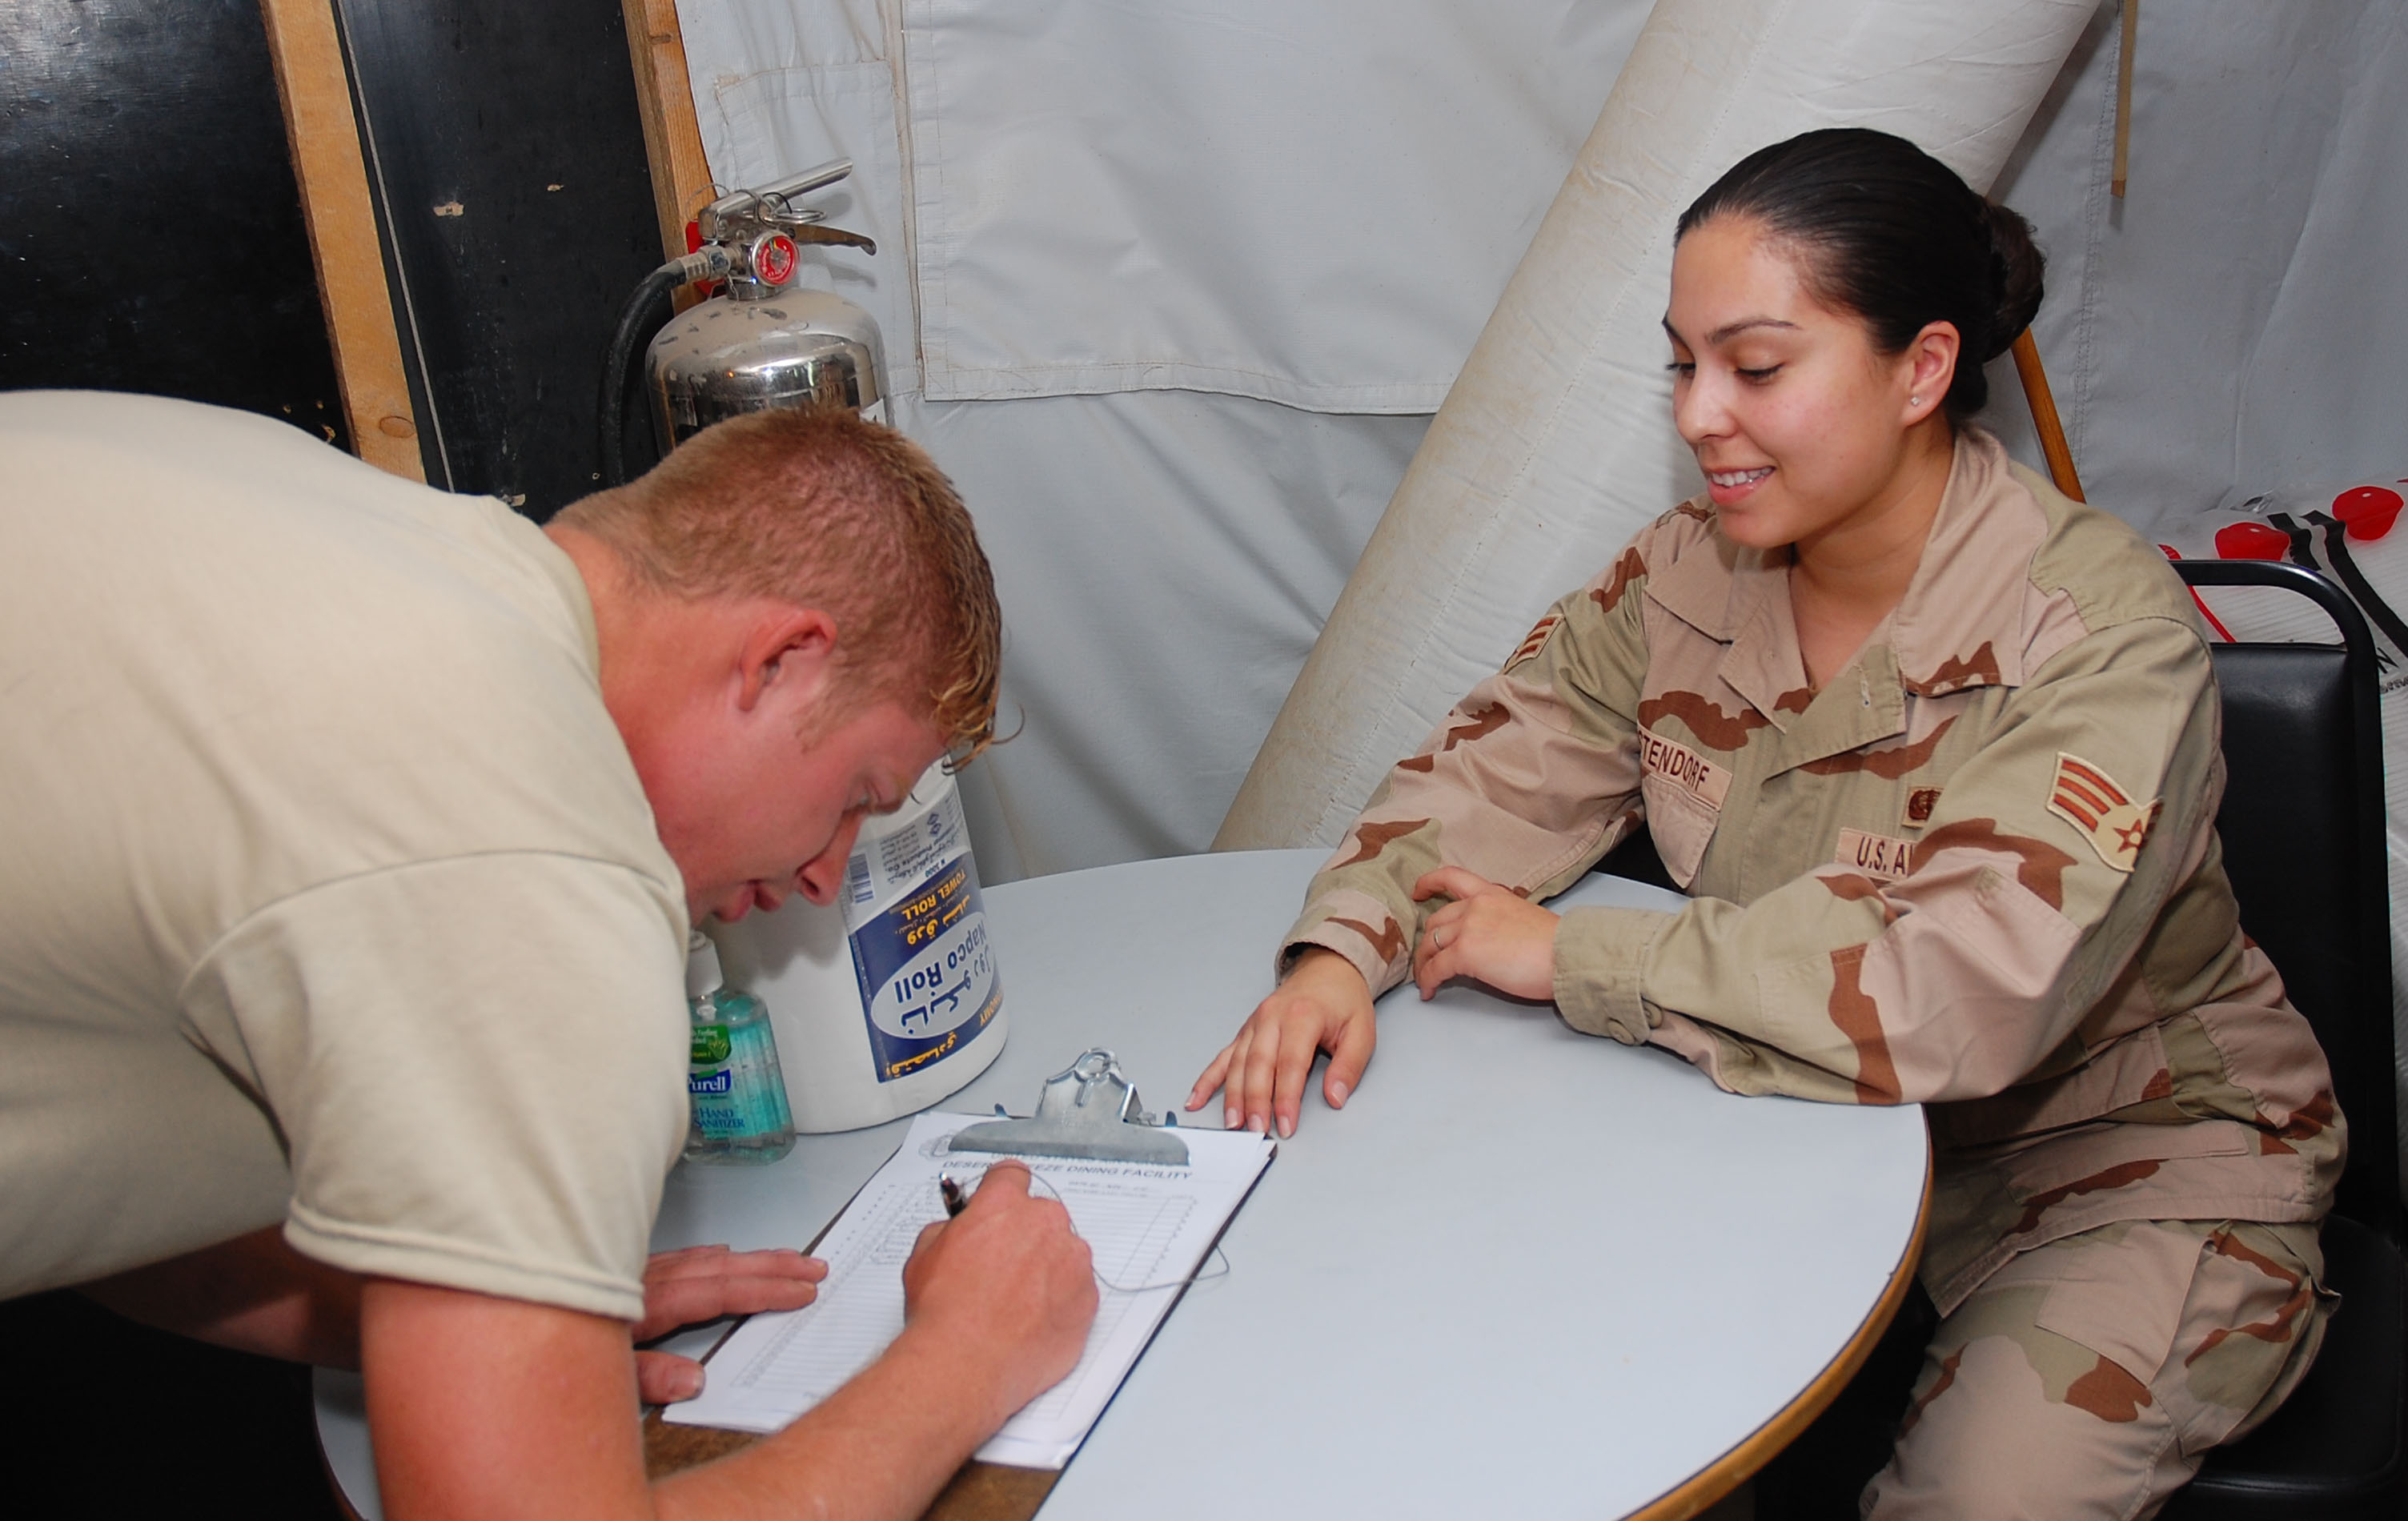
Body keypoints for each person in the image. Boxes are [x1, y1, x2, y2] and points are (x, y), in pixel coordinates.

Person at [1188, 128, 2339, 1517]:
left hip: (2107, 1163)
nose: (1696, 415)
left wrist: (1576, 962)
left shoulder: (2100, 636)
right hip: (1780, 1137)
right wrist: (1338, 951)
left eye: (1756, 366)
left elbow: (1963, 992)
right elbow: (1491, 777)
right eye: (1683, 362)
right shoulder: (1685, 576)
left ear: (1920, 369)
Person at [0, 391, 1096, 1519]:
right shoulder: (538, 859)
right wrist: (966, 1360)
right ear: (779, 663)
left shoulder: (360, 540)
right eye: (858, 795)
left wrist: (500, 1319)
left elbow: (109, 1201)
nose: (828, 874)